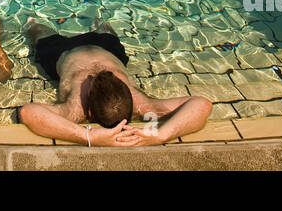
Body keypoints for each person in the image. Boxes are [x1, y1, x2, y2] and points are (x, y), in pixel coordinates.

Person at [18, 21, 212, 146]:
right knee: (105, 28)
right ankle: (100, 24)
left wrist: (90, 137)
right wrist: (160, 135)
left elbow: (29, 113)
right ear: (128, 92)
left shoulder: (75, 109)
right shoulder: (143, 105)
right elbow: (202, 104)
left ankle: (32, 23)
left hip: (60, 52)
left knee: (37, 29)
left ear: (90, 113)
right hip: (106, 47)